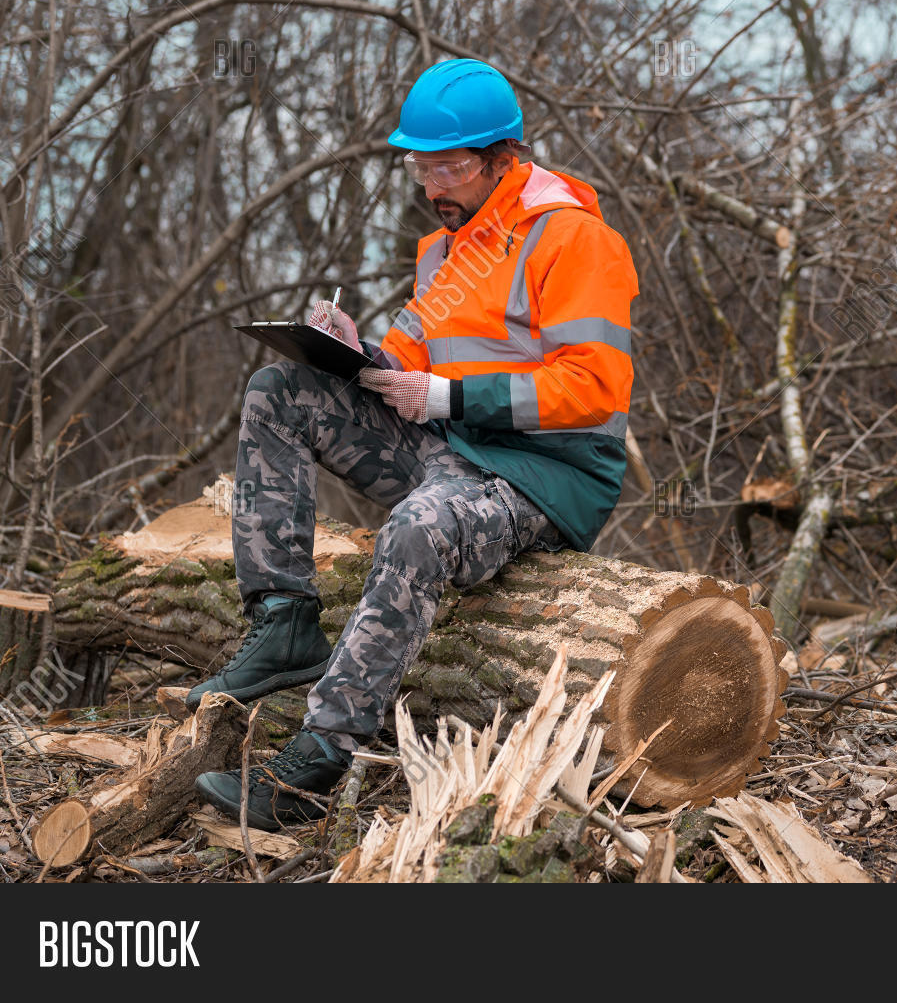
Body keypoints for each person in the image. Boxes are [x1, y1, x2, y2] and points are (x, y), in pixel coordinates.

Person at [193, 58, 638, 830]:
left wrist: (453, 398)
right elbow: (409, 362)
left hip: (546, 476)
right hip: (453, 447)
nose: (435, 185)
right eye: (420, 166)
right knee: (280, 393)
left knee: (419, 528)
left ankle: (314, 767)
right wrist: (353, 349)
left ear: (506, 159)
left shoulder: (575, 240)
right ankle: (284, 618)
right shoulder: (446, 248)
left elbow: (595, 388)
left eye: (451, 166)